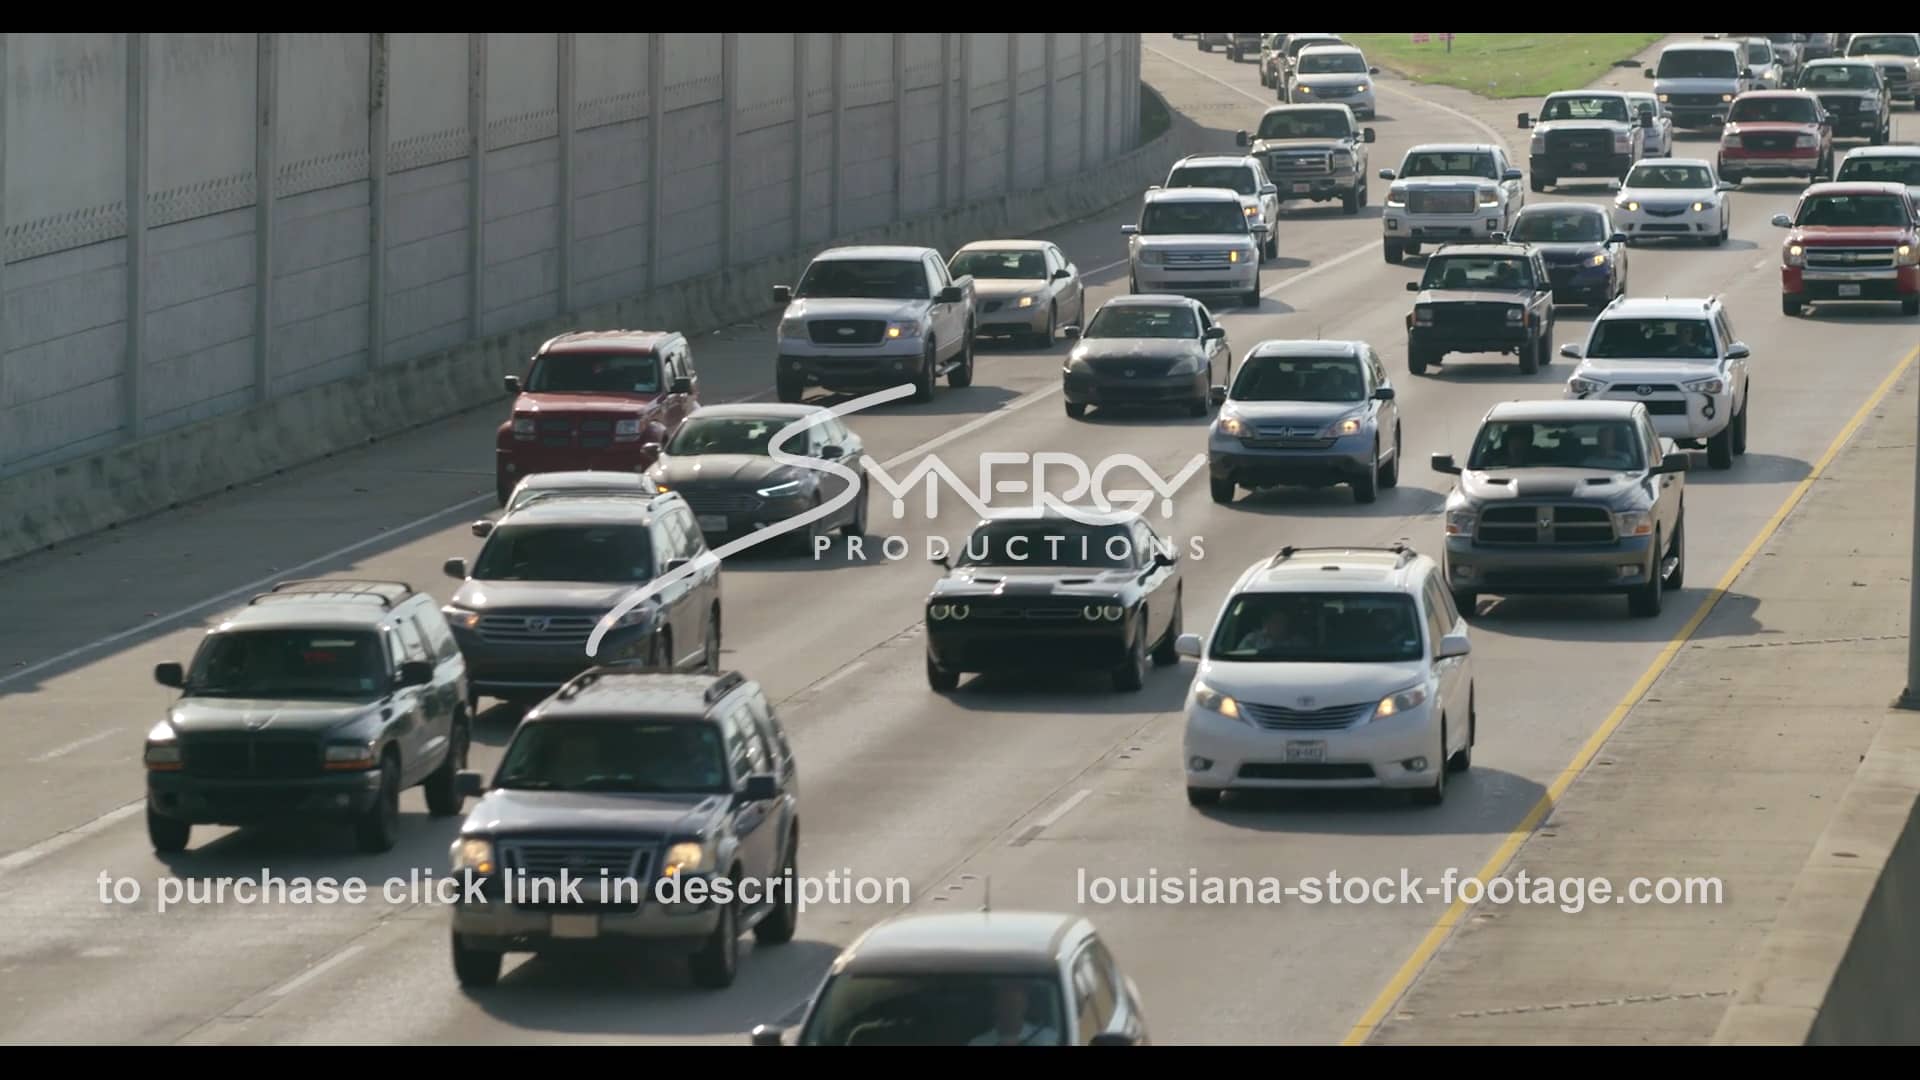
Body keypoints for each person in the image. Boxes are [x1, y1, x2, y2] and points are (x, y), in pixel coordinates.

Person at [967, 982, 1059, 1046]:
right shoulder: (978, 1043)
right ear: (995, 1007)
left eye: (1016, 1003)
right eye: (1006, 1003)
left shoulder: (1048, 1039)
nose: (1011, 1009)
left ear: (1025, 1006)